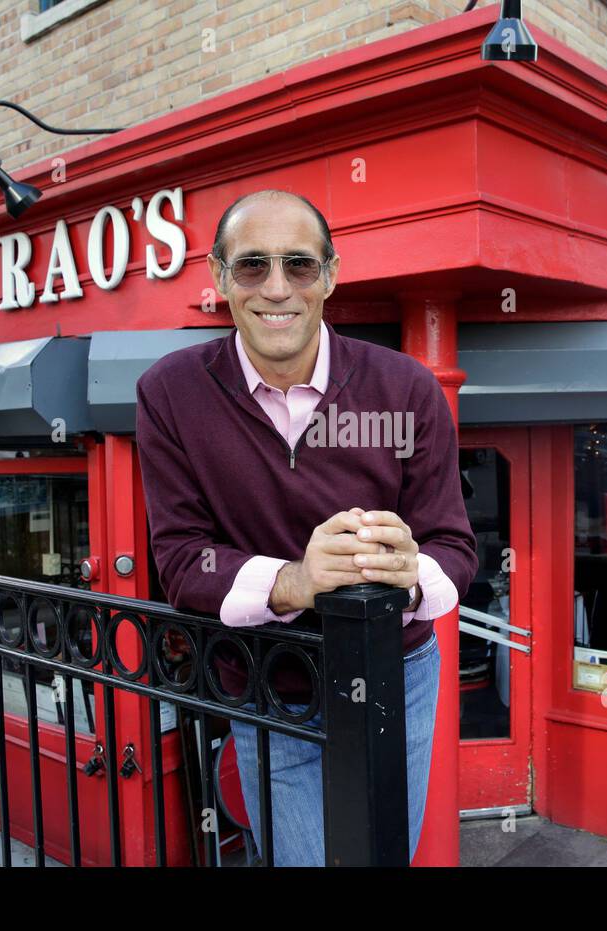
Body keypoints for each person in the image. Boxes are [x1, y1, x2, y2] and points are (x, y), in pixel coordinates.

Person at [134, 188, 477, 866]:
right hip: (267, 678)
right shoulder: (169, 393)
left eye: (298, 264)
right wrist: (297, 580)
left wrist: (411, 576)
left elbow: (455, 548)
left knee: (381, 856)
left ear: (330, 274)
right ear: (219, 277)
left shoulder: (407, 388)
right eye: (253, 266)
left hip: (394, 674)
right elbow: (180, 561)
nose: (277, 288)